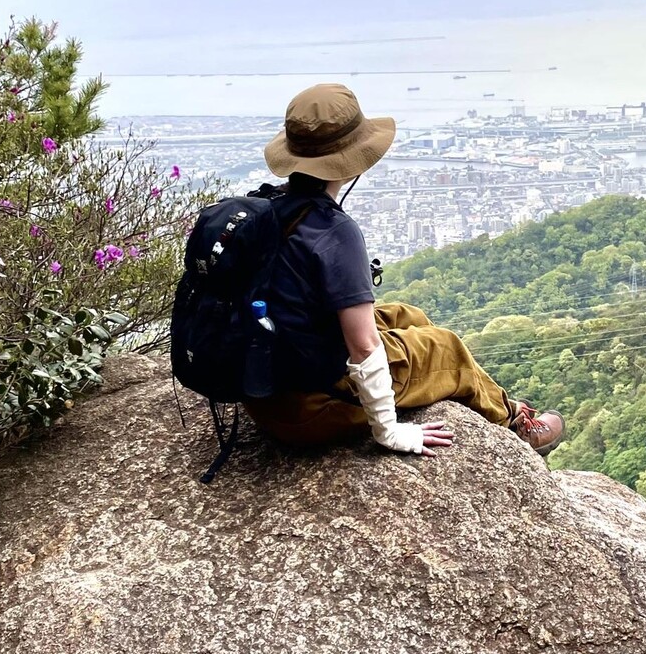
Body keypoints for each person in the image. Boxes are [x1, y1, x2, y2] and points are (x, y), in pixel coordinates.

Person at [241, 83, 565, 458]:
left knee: (405, 315)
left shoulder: (268, 206)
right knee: (447, 348)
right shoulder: (332, 232)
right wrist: (389, 431)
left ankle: (488, 397)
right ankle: (514, 427)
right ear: (351, 159)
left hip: (268, 389)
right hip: (310, 406)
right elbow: (363, 347)